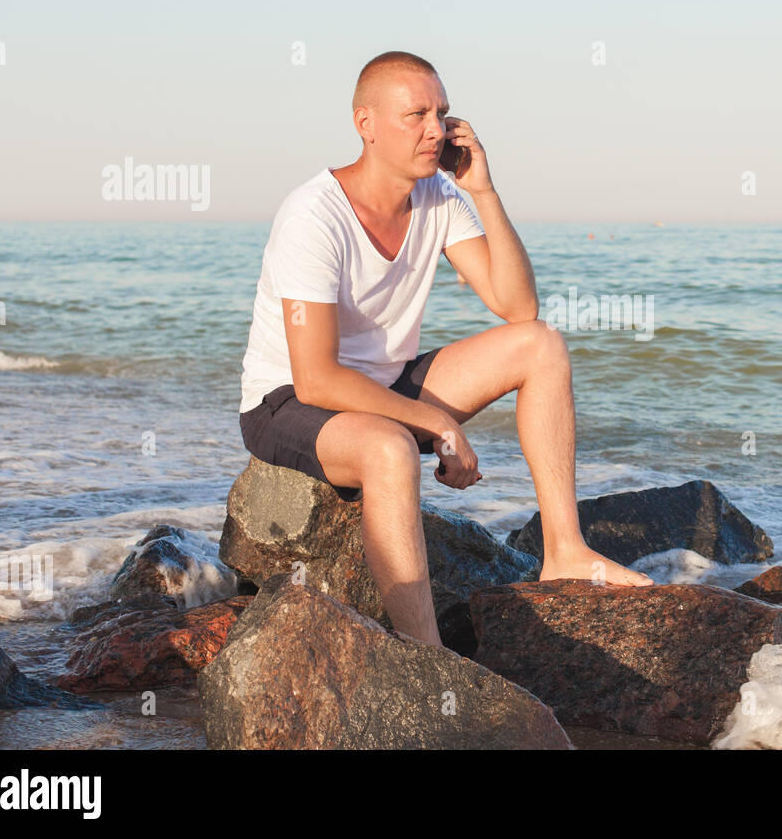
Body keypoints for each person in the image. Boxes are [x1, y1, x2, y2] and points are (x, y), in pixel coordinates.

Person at [237, 50, 652, 647]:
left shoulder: (439, 196)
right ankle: (426, 656)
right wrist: (434, 423)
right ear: (366, 123)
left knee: (541, 346)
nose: (436, 130)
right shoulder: (313, 214)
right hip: (287, 401)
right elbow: (317, 380)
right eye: (416, 115)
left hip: (384, 384)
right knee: (389, 450)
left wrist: (481, 190)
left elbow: (518, 309)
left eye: (442, 113)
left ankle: (564, 549)